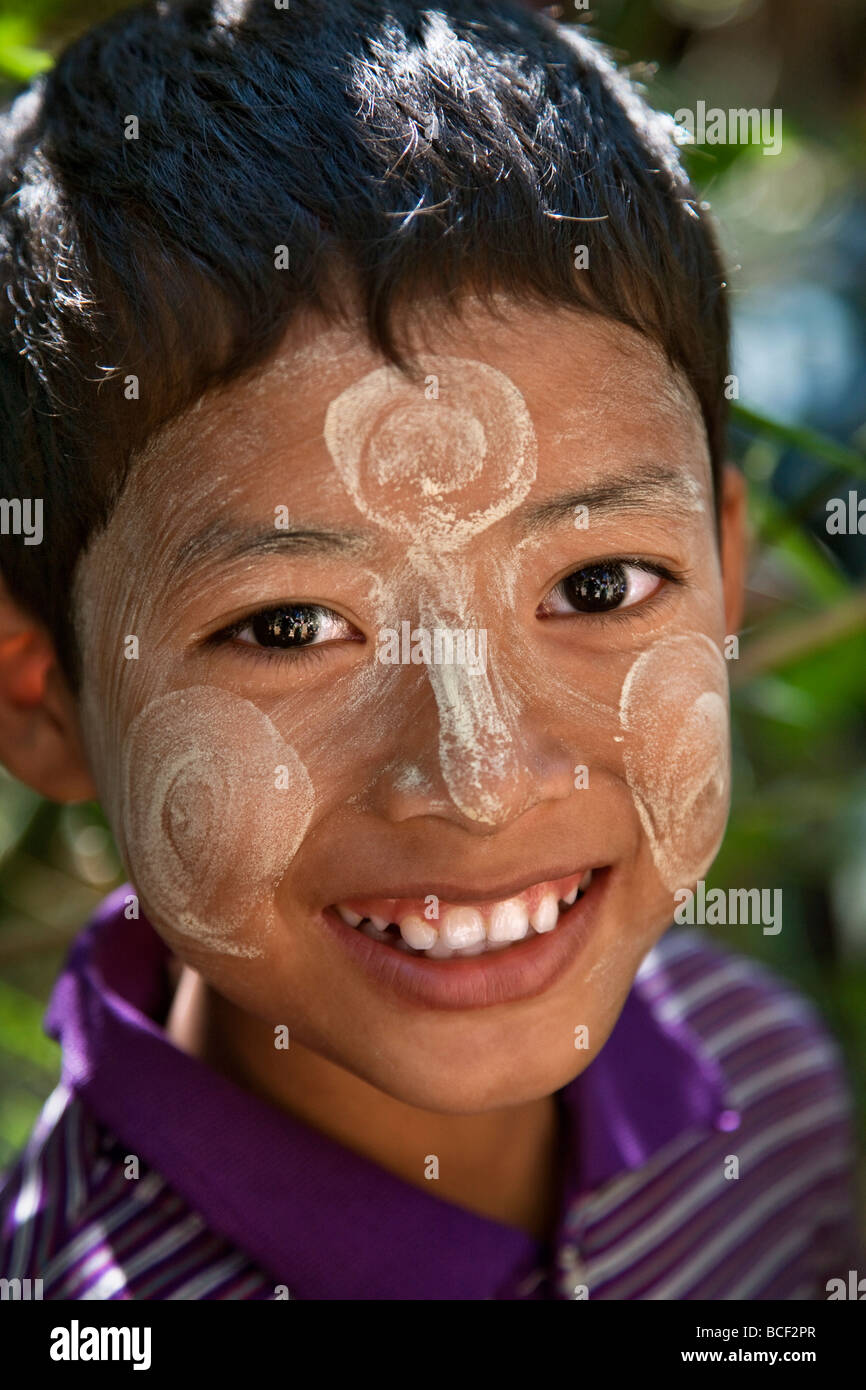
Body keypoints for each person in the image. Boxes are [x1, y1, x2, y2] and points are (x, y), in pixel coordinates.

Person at [0, 0, 859, 1299]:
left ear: (725, 578)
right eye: (289, 626)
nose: (480, 774)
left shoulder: (766, 1086)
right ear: (40, 694)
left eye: (599, 582)